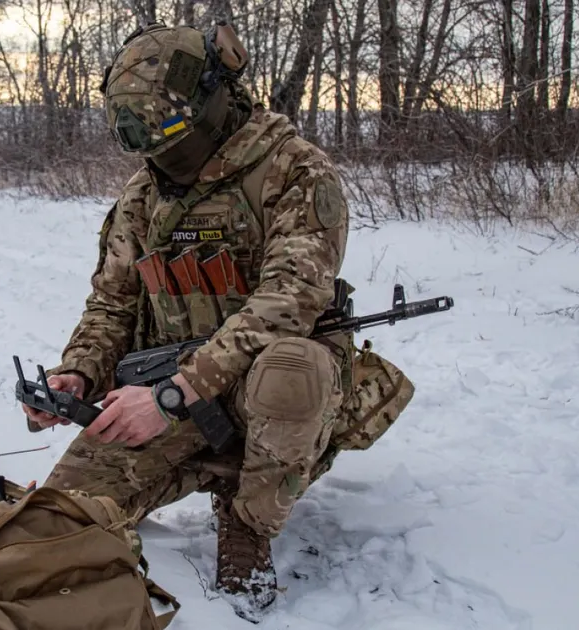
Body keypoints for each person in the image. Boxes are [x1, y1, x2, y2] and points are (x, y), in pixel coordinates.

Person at [22, 21, 354, 622]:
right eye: (142, 140)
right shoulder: (144, 196)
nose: (158, 154)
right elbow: (113, 305)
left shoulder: (294, 172)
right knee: (56, 520)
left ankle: (249, 524)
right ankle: (188, 467)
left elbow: (289, 301)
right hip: (169, 390)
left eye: (168, 133)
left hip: (261, 395)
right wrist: (78, 374)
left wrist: (176, 394)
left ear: (214, 103)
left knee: (293, 365)